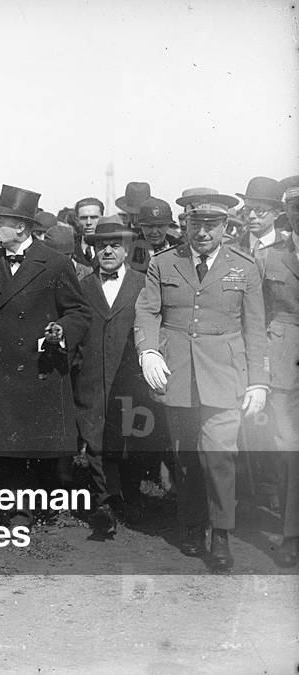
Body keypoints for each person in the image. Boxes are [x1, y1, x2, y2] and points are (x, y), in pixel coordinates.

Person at [135, 191, 269, 572]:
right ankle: (193, 526)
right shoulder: (163, 263)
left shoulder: (244, 267)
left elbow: (255, 329)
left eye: (212, 225)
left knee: (219, 456)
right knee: (186, 457)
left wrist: (259, 381)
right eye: (196, 224)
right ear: (185, 225)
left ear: (225, 226)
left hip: (225, 375)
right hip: (177, 374)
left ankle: (221, 533)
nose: (203, 233)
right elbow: (147, 312)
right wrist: (148, 351)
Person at [0, 185, 91, 528]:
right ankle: (15, 513)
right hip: (0, 369)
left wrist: (61, 330)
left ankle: (43, 503)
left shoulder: (55, 263)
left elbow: (79, 312)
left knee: (40, 447)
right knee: (5, 448)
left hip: (41, 367)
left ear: (21, 228)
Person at [74, 216, 149, 534]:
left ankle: (130, 495)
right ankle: (104, 502)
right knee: (95, 437)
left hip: (128, 375)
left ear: (126, 249)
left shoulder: (142, 284)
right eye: (101, 246)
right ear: (93, 250)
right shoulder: (83, 286)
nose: (107, 251)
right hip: (92, 374)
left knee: (129, 437)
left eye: (115, 245)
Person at [258, 228, 299, 565]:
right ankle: (291, 533)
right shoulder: (268, 255)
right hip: (284, 357)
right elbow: (255, 314)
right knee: (289, 449)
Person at [234, 177, 287, 255]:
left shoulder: (291, 248)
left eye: (259, 211)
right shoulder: (229, 247)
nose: (251, 216)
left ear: (276, 213)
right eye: (247, 209)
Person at [133, 197, 181, 270]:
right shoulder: (131, 251)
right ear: (141, 227)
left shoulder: (180, 250)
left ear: (168, 226)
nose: (155, 232)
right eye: (150, 226)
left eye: (160, 226)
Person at [72, 197, 103, 267]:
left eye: (94, 217)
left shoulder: (111, 247)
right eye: (84, 218)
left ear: (102, 219)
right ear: (76, 221)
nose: (89, 222)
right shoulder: (70, 247)